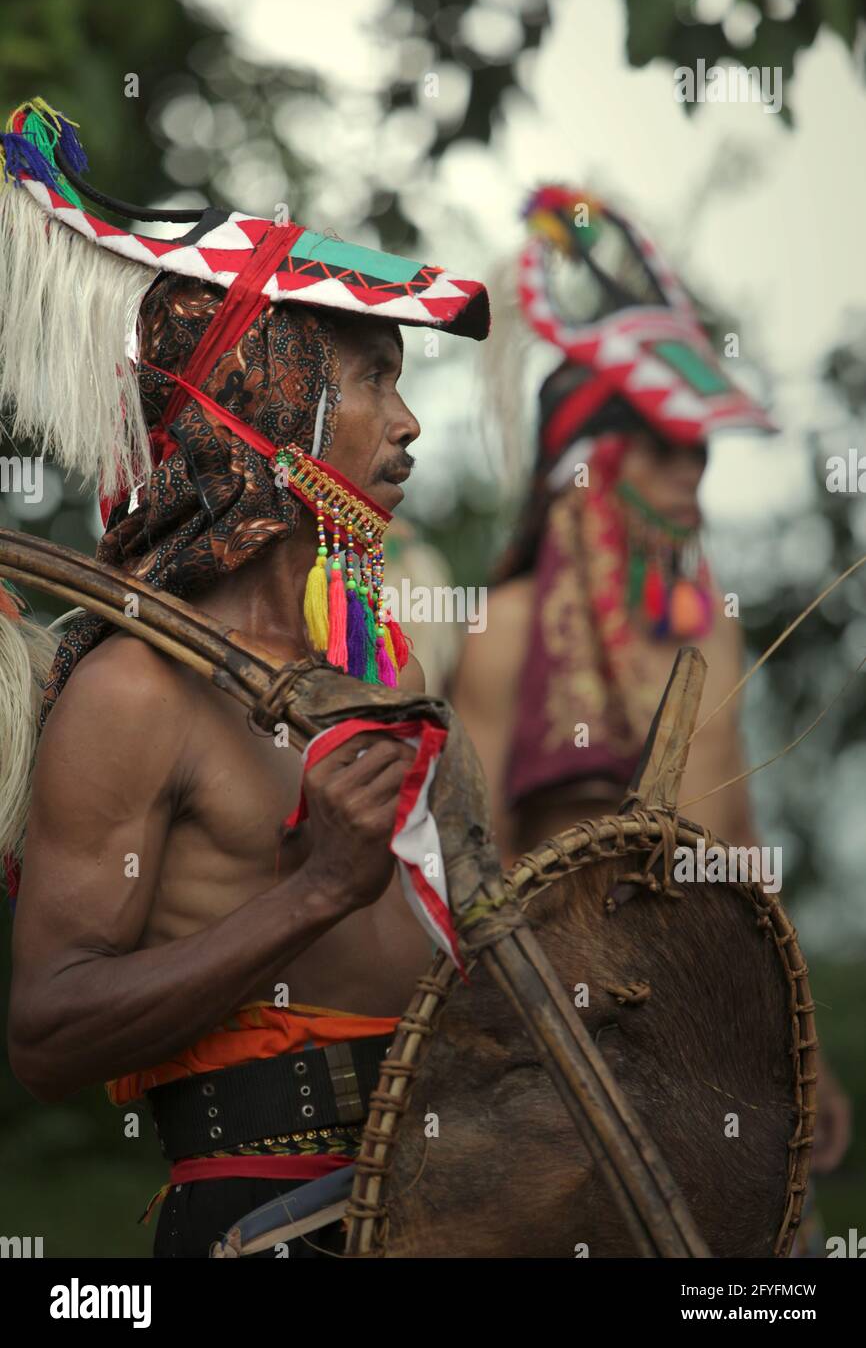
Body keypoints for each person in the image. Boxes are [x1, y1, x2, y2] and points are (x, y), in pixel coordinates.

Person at [0, 98, 489, 1257]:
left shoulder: (378, 664)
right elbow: (47, 1033)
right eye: (375, 378)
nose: (411, 423)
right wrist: (314, 888)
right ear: (274, 409)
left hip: (450, 1206)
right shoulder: (136, 692)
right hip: (262, 1226)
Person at [452, 185, 850, 1187]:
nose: (691, 474)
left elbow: (739, 850)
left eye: (700, 450)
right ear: (593, 462)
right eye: (666, 447)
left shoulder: (705, 632)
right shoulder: (501, 633)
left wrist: (795, 1049)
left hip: (716, 1026)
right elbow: (462, 867)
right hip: (558, 1043)